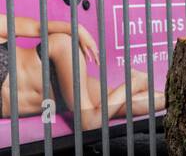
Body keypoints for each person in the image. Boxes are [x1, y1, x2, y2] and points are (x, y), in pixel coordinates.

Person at [0, 15, 161, 131]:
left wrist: (76, 29)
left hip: (55, 56)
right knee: (124, 106)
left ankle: (139, 83)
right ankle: (167, 92)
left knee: (88, 123)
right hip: (54, 95)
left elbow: (36, 27)